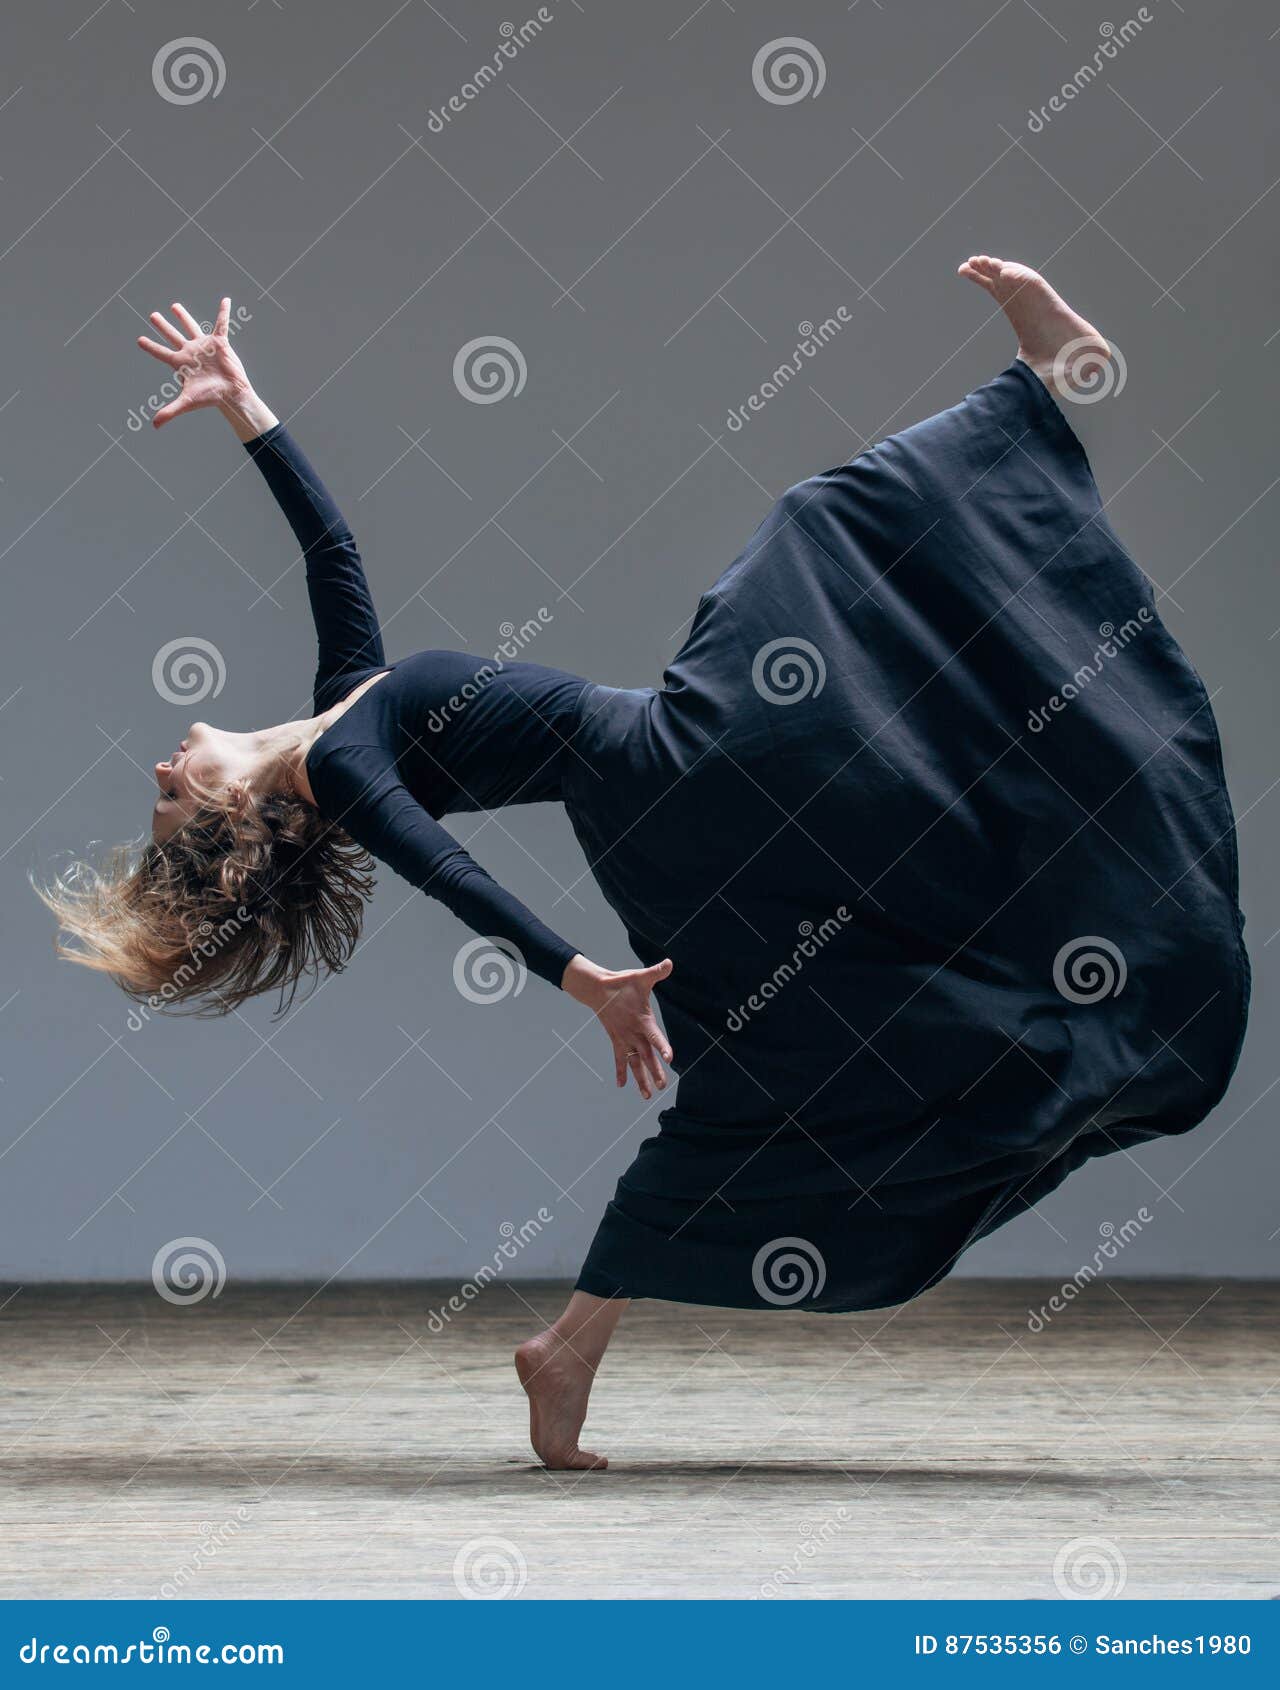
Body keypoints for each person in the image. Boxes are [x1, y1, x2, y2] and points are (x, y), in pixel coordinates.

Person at [40, 261, 1249, 1470]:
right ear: (239, 819)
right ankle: (1041, 387)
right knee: (823, 531)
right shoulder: (341, 771)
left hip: (663, 807)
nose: (157, 774)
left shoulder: (334, 710)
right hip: (670, 760)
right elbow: (447, 874)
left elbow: (331, 544)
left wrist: (241, 400)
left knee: (770, 1031)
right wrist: (587, 981)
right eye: (170, 806)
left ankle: (567, 1349)